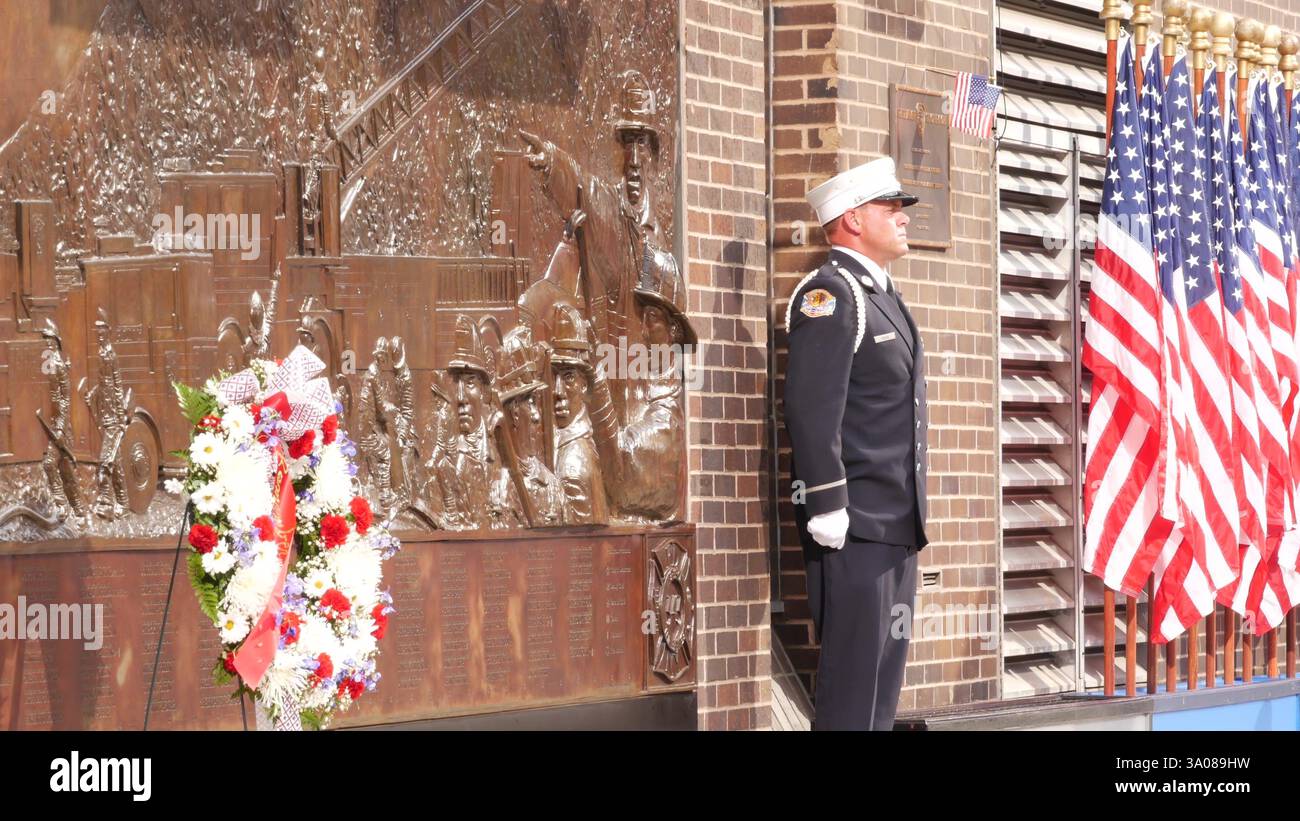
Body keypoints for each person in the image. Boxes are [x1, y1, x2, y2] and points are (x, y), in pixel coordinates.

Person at [784, 156, 928, 731]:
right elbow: (812, 407)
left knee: (880, 701)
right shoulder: (833, 295)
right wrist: (826, 503)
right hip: (855, 529)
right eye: (888, 207)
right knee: (850, 702)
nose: (903, 217)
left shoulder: (882, 293)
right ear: (850, 220)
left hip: (894, 526)